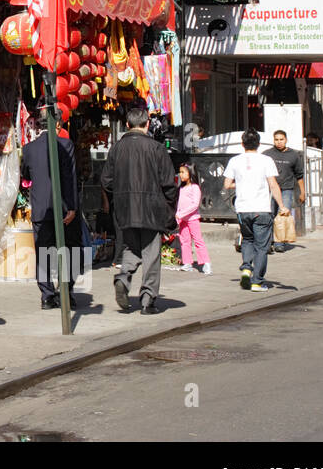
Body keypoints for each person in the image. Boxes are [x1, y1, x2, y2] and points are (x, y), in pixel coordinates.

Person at [100, 107, 179, 314]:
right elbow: (169, 184)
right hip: (152, 209)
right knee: (151, 254)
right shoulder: (156, 148)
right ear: (146, 125)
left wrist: (117, 197)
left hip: (125, 209)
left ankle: (124, 278)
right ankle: (147, 300)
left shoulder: (116, 149)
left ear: (127, 125)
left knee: (131, 248)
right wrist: (170, 210)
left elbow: (106, 181)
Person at [20, 109, 81, 310]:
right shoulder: (65, 145)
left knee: (44, 251)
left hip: (40, 207)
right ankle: (66, 292)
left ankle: (47, 295)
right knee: (68, 250)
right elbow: (70, 177)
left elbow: (26, 175)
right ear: (58, 125)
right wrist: (72, 206)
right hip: (63, 209)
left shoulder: (29, 149)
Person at [223, 129, 285, 292]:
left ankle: (246, 268)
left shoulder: (234, 161)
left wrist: (242, 184)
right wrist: (282, 205)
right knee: (262, 246)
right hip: (262, 209)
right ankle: (257, 281)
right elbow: (273, 185)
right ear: (258, 144)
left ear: (242, 144)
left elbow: (227, 184)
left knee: (247, 240)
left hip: (243, 209)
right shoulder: (266, 160)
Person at [267, 130, 306, 243]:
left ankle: (280, 243)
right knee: (269, 215)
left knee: (283, 215)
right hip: (270, 190)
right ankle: (268, 242)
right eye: (276, 139)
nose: (279, 142)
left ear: (286, 140)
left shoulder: (293, 155)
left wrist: (302, 192)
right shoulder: (267, 154)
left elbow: (299, 175)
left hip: (286, 190)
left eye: (281, 139)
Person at [175, 163, 210, 274]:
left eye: (183, 172)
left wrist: (181, 214)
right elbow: (179, 204)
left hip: (192, 219)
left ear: (190, 173)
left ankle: (206, 263)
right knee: (184, 241)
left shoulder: (195, 188)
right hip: (183, 220)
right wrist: (178, 214)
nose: (180, 175)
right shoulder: (181, 188)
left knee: (198, 240)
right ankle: (187, 263)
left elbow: (195, 205)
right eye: (180, 172)